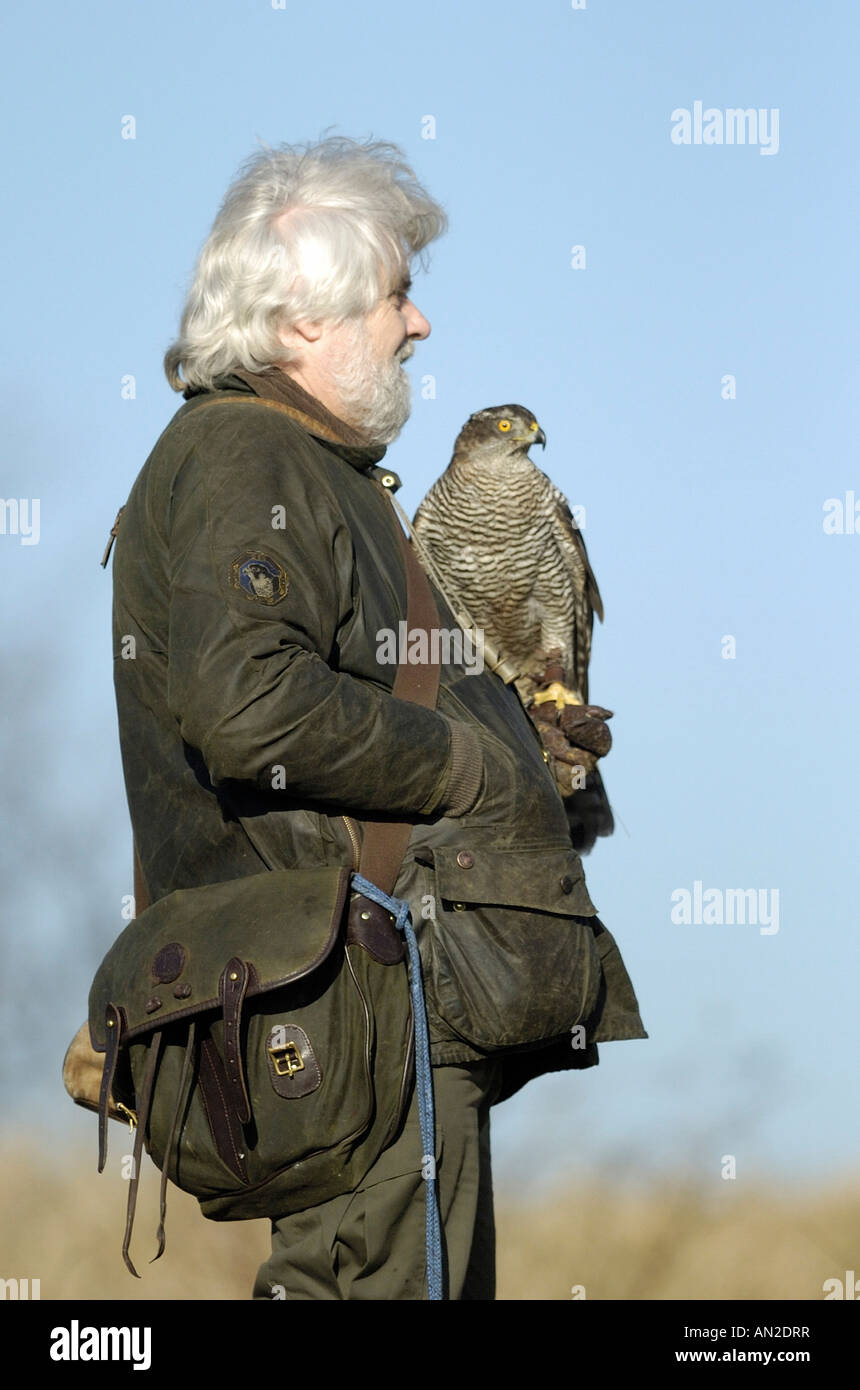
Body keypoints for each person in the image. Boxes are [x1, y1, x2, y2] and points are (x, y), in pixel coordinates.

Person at [109, 136, 646, 1301]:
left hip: (349, 1001)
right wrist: (468, 761)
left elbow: (326, 692)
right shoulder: (245, 449)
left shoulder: (303, 464)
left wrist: (519, 737)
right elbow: (251, 706)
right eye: (396, 294)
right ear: (301, 319)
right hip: (349, 1001)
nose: (419, 325)